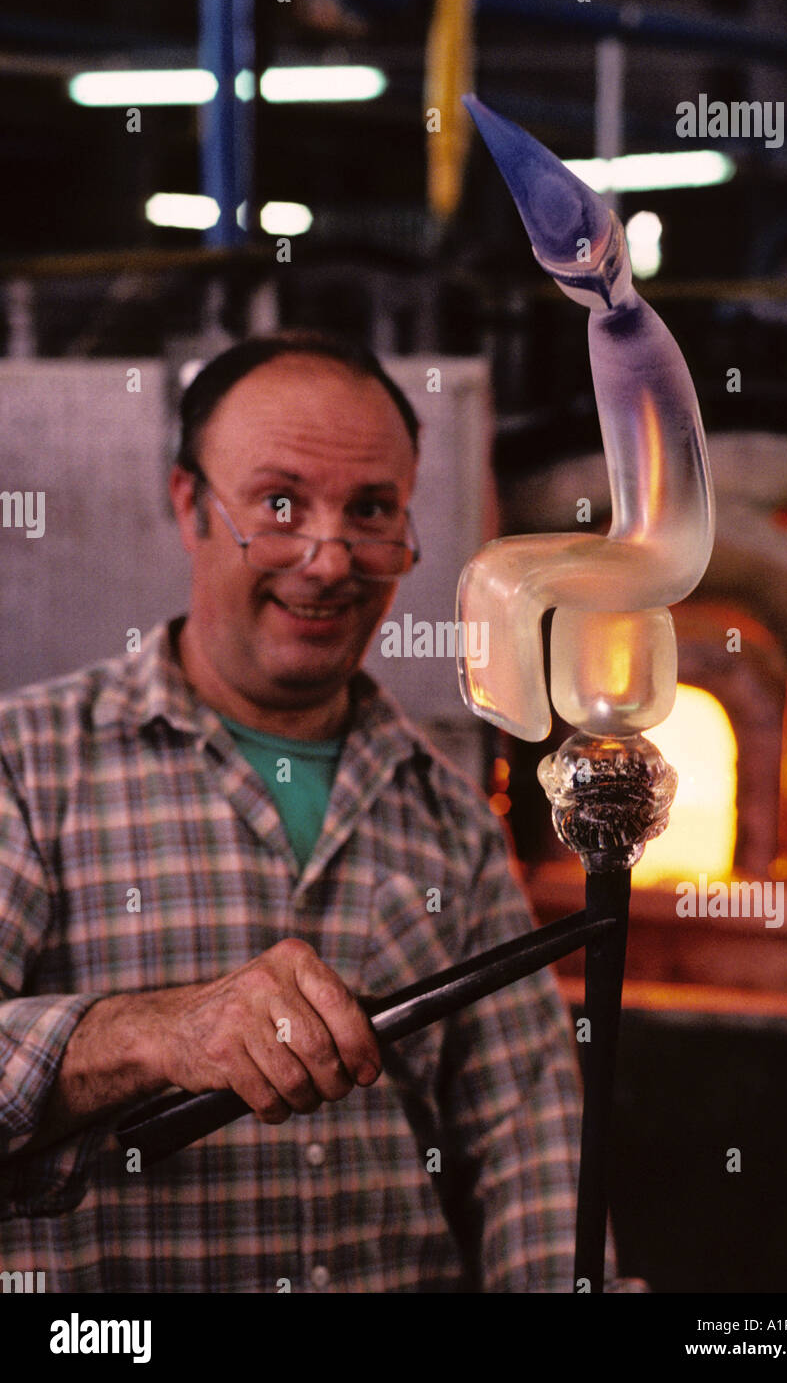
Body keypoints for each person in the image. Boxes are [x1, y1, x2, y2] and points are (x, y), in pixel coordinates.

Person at [0, 329, 617, 1293]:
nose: (330, 561)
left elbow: (526, 1139)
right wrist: (150, 1034)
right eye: (281, 504)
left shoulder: (448, 816)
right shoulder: (27, 768)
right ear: (190, 505)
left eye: (371, 509)